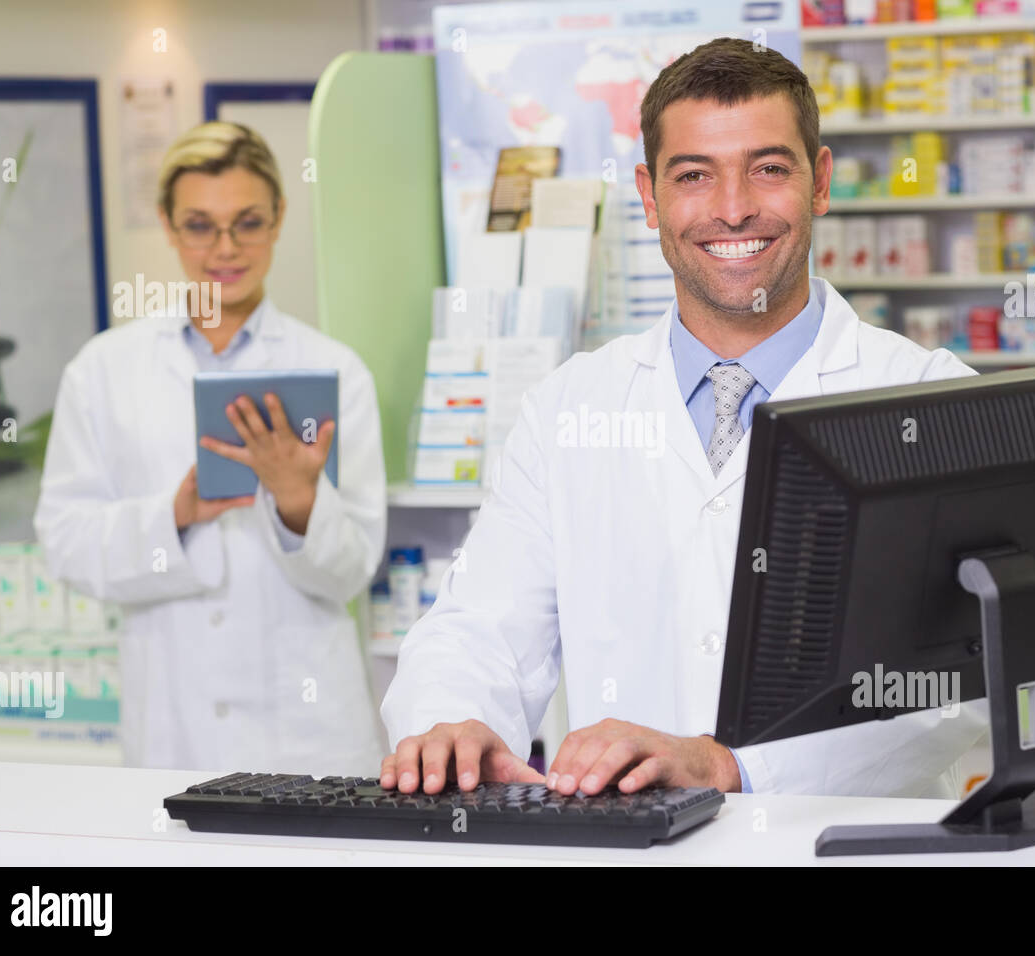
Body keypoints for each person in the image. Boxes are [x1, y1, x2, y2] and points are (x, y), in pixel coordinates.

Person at [381, 38, 988, 797]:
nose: (733, 208)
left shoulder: (927, 400)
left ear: (821, 181)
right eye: (694, 175)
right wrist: (454, 725)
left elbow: (962, 682)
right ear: (649, 196)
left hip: (840, 844)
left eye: (768, 169)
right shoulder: (570, 409)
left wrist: (734, 767)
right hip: (629, 843)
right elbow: (479, 626)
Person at [35, 122, 385, 774]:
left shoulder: (336, 371)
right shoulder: (104, 371)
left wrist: (298, 502)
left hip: (310, 734)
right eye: (200, 225)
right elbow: (65, 542)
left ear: (280, 219)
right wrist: (177, 513)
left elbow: (354, 567)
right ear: (167, 225)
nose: (225, 248)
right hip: (174, 725)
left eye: (248, 222)